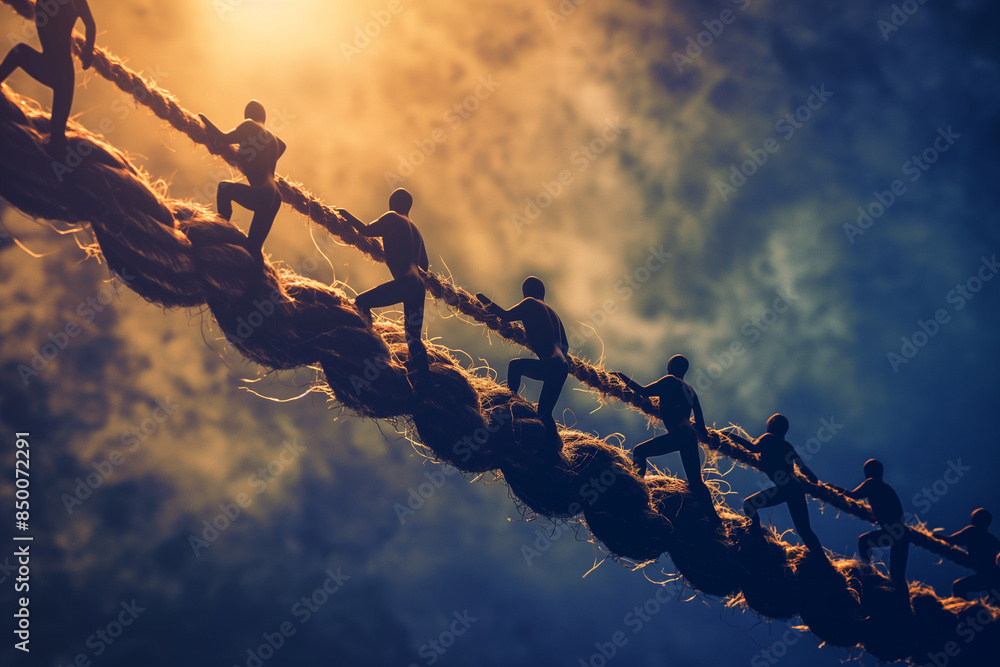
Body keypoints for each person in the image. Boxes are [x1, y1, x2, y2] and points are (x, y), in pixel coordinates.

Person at [337, 189, 429, 390]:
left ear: (393, 202)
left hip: (405, 281)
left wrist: (344, 213)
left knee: (361, 303)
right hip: (418, 285)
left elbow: (366, 230)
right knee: (413, 338)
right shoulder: (416, 230)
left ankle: (371, 352)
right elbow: (425, 265)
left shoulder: (392, 217)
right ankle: (423, 384)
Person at [476, 276, 568, 439]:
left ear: (528, 291)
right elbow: (565, 346)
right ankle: (553, 452)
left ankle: (509, 403)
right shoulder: (554, 314)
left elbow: (504, 315)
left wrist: (481, 298)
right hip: (562, 365)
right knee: (544, 414)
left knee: (515, 366)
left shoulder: (529, 302)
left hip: (550, 363)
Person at [198, 100, 285, 264]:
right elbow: (283, 146)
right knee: (253, 249)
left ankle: (221, 229)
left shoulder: (249, 125)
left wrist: (203, 119)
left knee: (224, 188)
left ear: (248, 115)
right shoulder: (273, 138)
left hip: (262, 193)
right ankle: (257, 282)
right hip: (275, 196)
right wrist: (257, 159)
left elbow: (222, 138)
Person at [0, 0, 96, 148]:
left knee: (57, 136)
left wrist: (88, 51)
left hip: (63, 72)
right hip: (50, 65)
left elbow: (90, 24)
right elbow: (90, 25)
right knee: (19, 52)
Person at [613, 355, 710, 488]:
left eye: (668, 365)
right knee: (696, 482)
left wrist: (620, 376)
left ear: (671, 367)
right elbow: (701, 426)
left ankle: (637, 489)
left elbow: (644, 391)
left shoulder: (669, 380)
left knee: (639, 452)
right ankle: (709, 509)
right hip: (690, 436)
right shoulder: (691, 390)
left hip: (678, 434)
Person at [742, 413, 823, 553]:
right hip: (796, 488)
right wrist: (816, 486)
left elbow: (753, 448)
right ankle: (823, 561)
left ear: (771, 425)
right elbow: (808, 474)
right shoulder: (788, 446)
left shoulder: (768, 437)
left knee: (749, 505)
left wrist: (729, 435)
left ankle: (756, 537)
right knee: (805, 531)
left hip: (786, 489)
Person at [846, 459, 909, 585]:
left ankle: (868, 574)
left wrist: (829, 486)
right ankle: (903, 603)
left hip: (893, 533)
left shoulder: (871, 482)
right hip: (901, 534)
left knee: (863, 541)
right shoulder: (886, 487)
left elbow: (852, 495)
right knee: (898, 578)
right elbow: (898, 514)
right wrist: (880, 517)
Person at [942, 508, 1000, 600]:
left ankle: (964, 611)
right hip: (995, 576)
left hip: (987, 576)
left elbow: (952, 540)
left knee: (958, 586)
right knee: (994, 601)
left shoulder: (972, 530)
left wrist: (933, 536)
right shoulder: (992, 538)